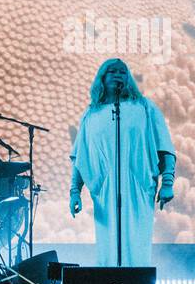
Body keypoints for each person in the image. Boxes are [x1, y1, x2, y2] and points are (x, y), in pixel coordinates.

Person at [69, 59, 175, 266]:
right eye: (112, 71)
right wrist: (75, 192)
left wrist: (168, 183)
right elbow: (81, 158)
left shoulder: (144, 107)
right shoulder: (91, 115)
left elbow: (165, 147)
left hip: (139, 187)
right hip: (105, 194)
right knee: (108, 251)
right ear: (102, 77)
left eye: (123, 71)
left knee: (137, 248)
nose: (118, 74)